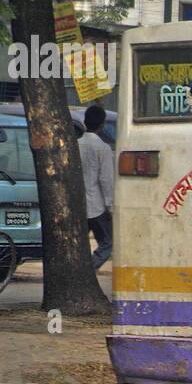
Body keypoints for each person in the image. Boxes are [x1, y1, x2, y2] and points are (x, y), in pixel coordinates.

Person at [79, 104, 115, 269]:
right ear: (102, 124)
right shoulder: (103, 148)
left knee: (79, 245)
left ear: (85, 122)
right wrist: (110, 205)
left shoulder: (75, 145)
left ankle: (80, 270)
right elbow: (106, 179)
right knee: (107, 243)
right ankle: (88, 270)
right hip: (97, 206)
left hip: (77, 204)